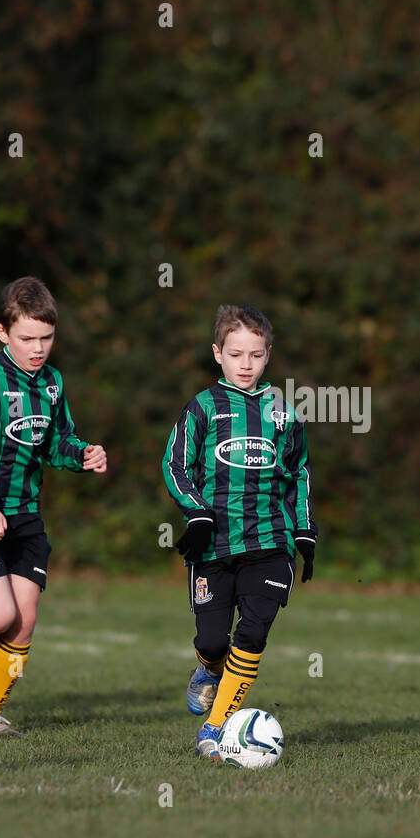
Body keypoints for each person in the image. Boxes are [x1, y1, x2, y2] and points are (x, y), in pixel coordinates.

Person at [0, 277, 106, 736]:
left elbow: (55, 442)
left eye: (46, 338)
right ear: (2, 333)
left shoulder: (52, 383)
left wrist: (82, 453)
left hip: (25, 515)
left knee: (24, 620)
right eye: (27, 338)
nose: (38, 348)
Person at [162, 305, 316, 761]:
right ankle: (208, 669)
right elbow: (174, 464)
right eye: (235, 354)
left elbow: (299, 471)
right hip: (214, 545)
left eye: (255, 354)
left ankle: (213, 729)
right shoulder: (202, 407)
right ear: (217, 354)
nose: (245, 364)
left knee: (253, 632)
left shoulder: (284, 412)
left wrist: (304, 531)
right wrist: (197, 513)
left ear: (268, 355)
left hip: (270, 543)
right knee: (213, 640)